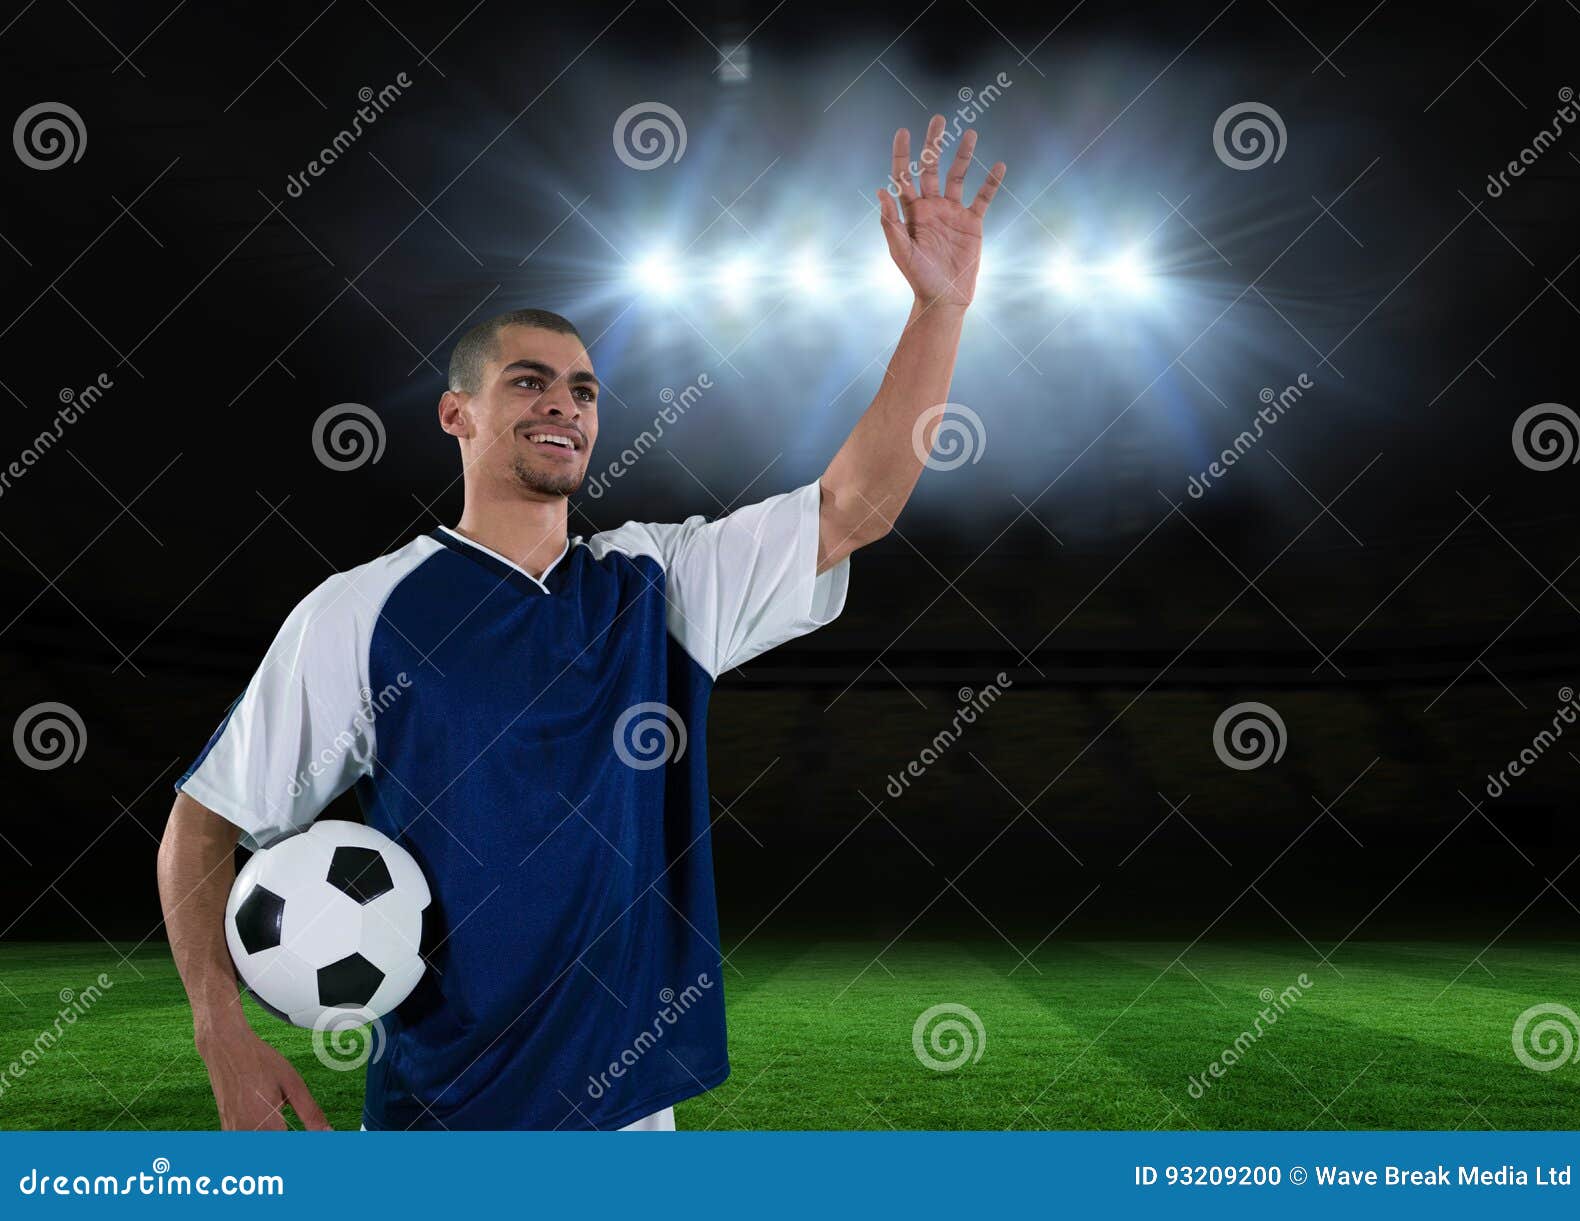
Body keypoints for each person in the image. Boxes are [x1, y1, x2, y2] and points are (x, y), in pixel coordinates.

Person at [155, 116, 1005, 1131]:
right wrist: (221, 1029)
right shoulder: (361, 612)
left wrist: (939, 310)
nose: (564, 404)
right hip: (441, 1125)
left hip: (633, 1125)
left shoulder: (658, 584)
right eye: (529, 381)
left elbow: (855, 506)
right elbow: (203, 819)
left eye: (584, 391)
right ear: (457, 413)